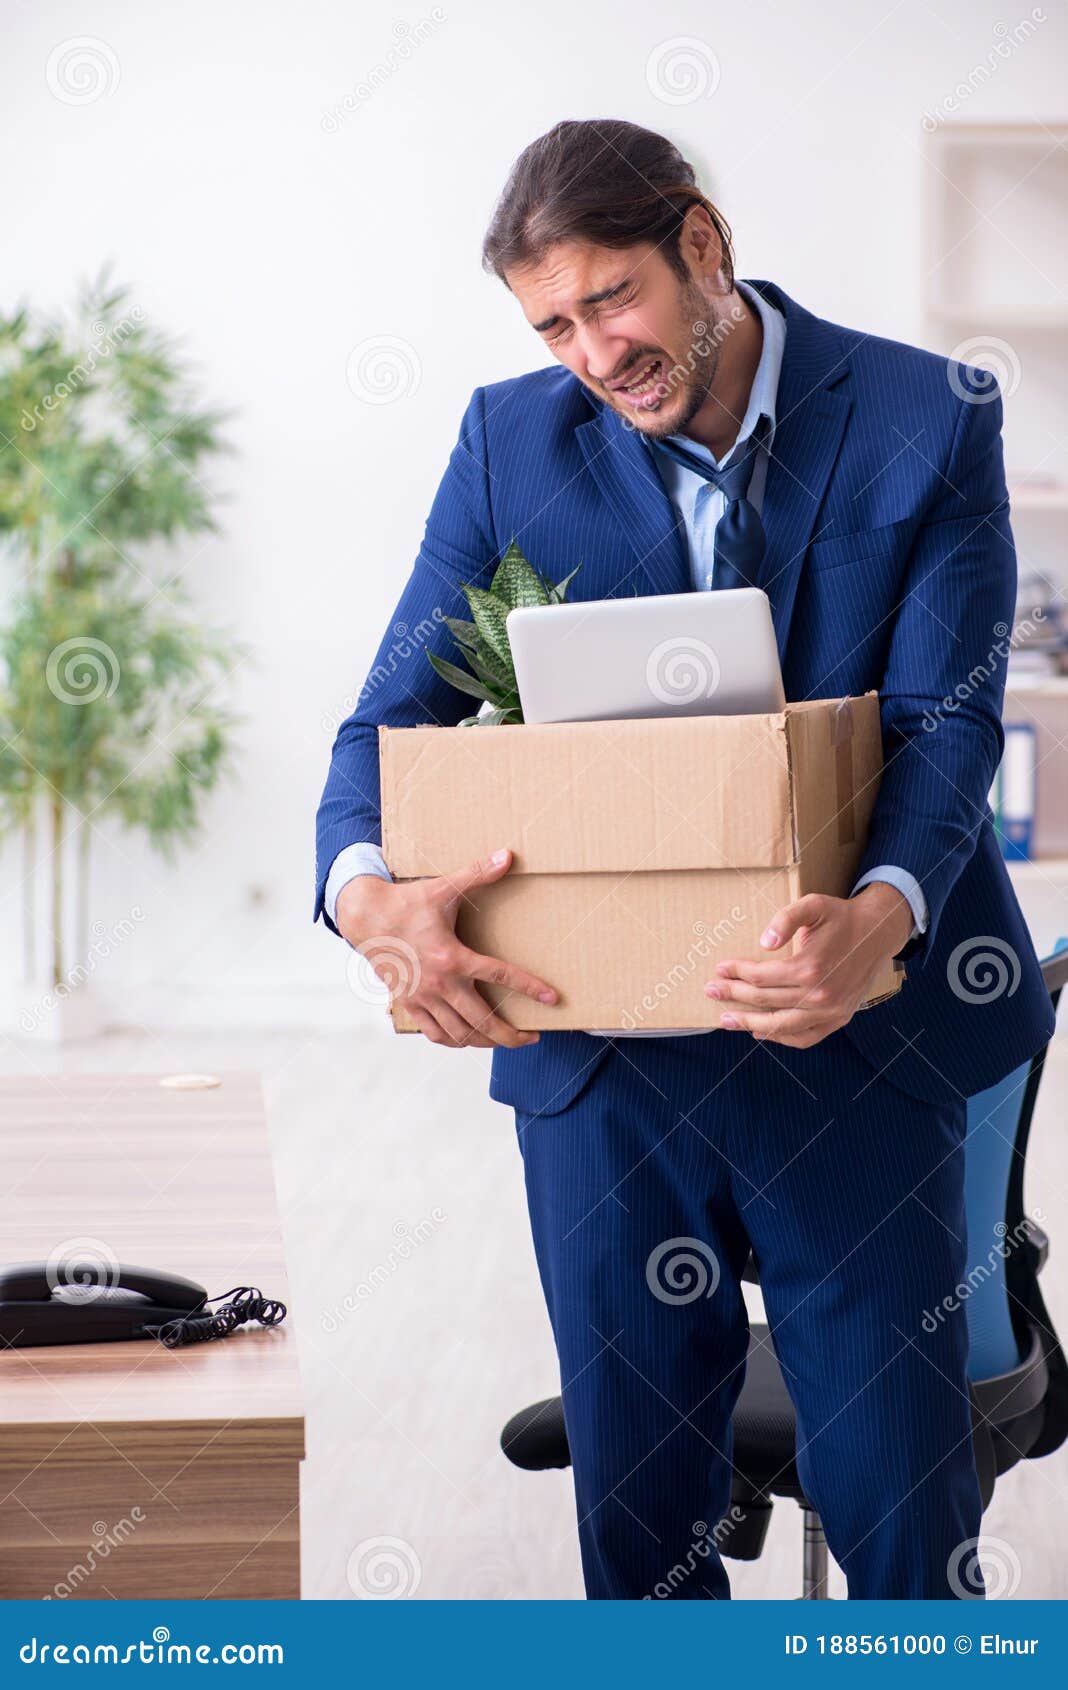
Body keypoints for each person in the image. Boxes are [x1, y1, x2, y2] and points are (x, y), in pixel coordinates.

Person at [315, 119, 1054, 1599]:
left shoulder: (926, 414)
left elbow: (950, 721)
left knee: (905, 1524)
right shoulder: (507, 441)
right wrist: (370, 895)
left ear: (701, 248)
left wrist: (884, 910)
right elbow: (383, 725)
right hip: (610, 1067)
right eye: (553, 324)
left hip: (854, 1039)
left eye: (611, 302)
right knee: (639, 1540)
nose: (591, 352)